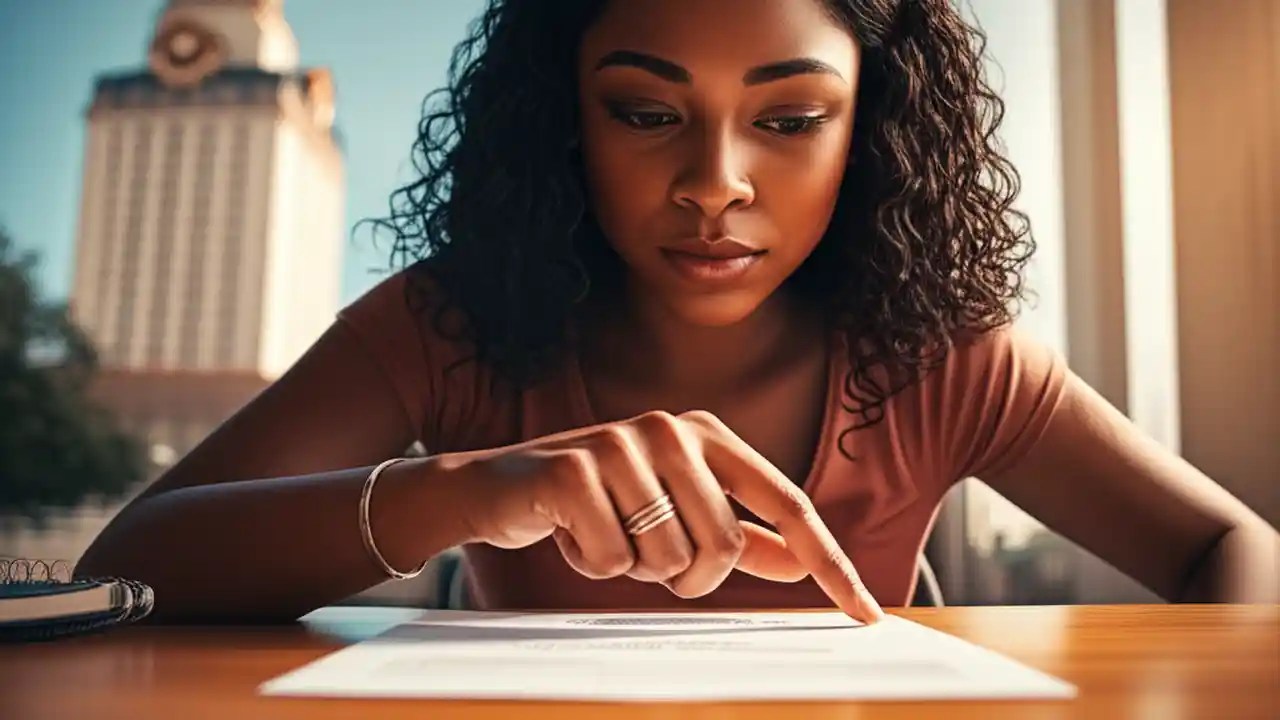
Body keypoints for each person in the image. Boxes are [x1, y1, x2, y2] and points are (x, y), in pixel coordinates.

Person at [77, 0, 1279, 623]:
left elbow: (1232, 548)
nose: (713, 183)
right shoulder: (452, 322)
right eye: (647, 114)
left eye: (790, 119)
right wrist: (477, 489)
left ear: (872, 134)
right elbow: (125, 568)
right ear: (564, 124)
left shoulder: (944, 354)